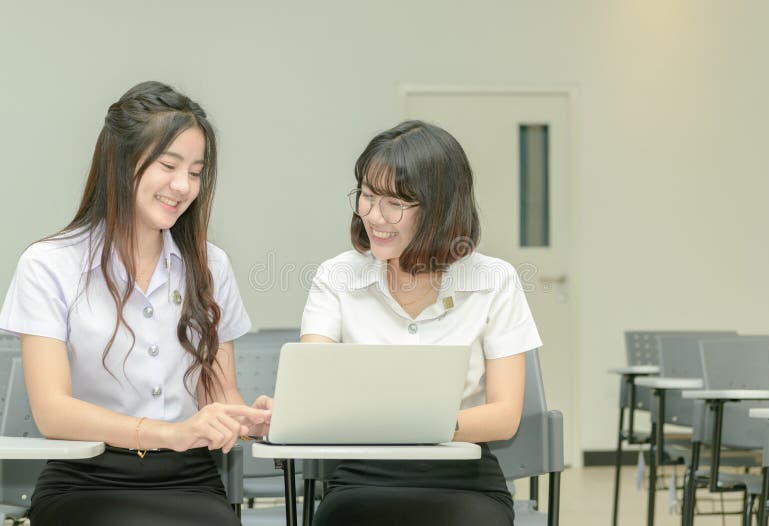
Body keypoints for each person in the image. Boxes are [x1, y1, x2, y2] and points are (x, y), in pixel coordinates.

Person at [0, 81, 271, 526]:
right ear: (121, 161)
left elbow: (220, 394)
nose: (183, 186)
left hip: (190, 480)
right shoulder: (48, 264)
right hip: (85, 480)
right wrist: (171, 433)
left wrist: (249, 420)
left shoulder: (210, 266)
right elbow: (53, 412)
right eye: (169, 165)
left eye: (197, 171)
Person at [301, 120, 542, 526]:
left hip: (464, 478)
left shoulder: (494, 281)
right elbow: (315, 392)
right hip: (364, 478)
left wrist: (406, 422)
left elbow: (504, 416)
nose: (374, 216)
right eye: (367, 195)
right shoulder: (336, 276)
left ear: (439, 208)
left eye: (394, 203)